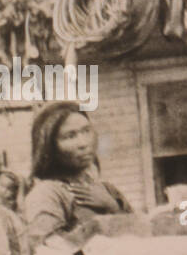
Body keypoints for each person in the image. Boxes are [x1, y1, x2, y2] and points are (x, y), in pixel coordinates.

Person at [24, 103, 131, 244]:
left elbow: (142, 237)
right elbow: (47, 250)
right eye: (70, 136)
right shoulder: (47, 193)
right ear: (50, 146)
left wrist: (112, 206)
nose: (84, 143)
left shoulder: (107, 190)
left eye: (86, 131)